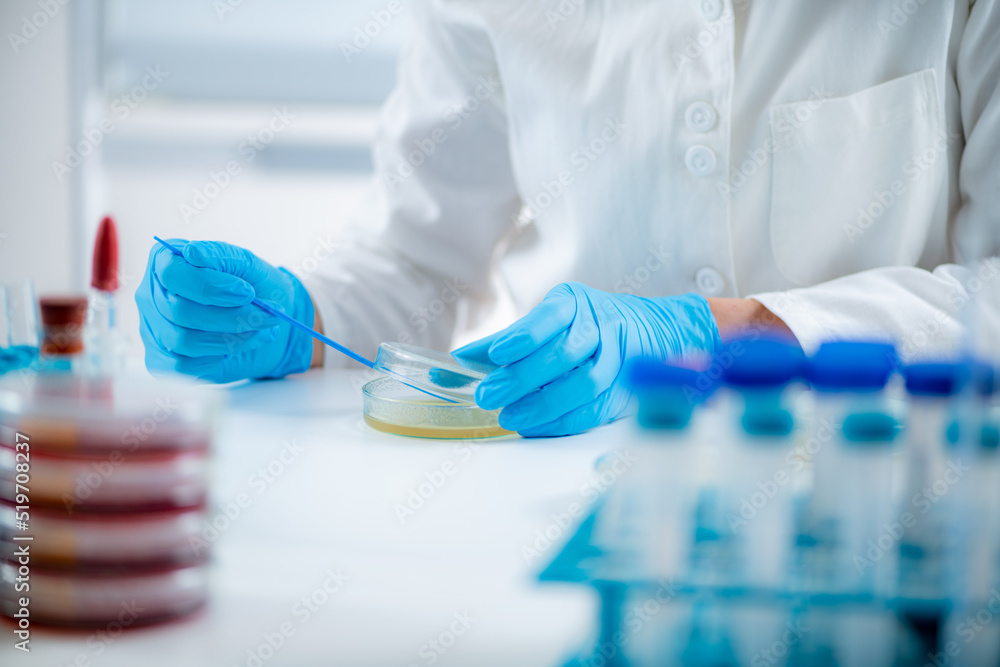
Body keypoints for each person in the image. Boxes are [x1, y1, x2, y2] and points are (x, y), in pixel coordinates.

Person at [136, 1, 1000, 437]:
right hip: (572, 499)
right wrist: (300, 317)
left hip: (890, 488)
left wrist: (724, 334)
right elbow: (419, 258)